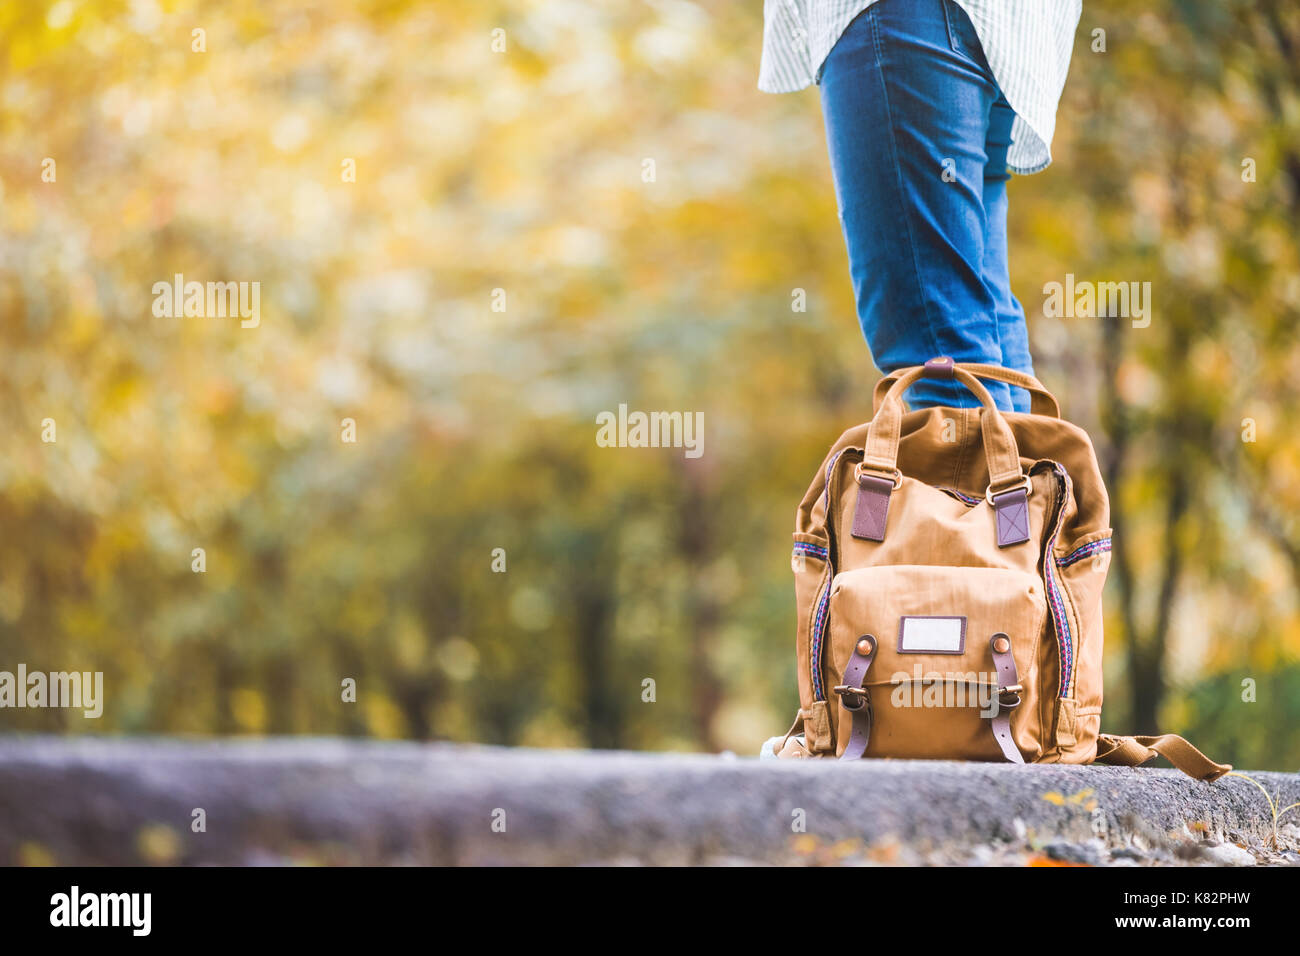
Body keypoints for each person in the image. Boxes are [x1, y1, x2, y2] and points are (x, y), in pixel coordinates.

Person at [760, 0, 1082, 412]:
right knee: (977, 321)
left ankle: (975, 473)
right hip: (1006, 29)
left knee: (937, 347)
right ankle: (1010, 474)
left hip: (901, 19)